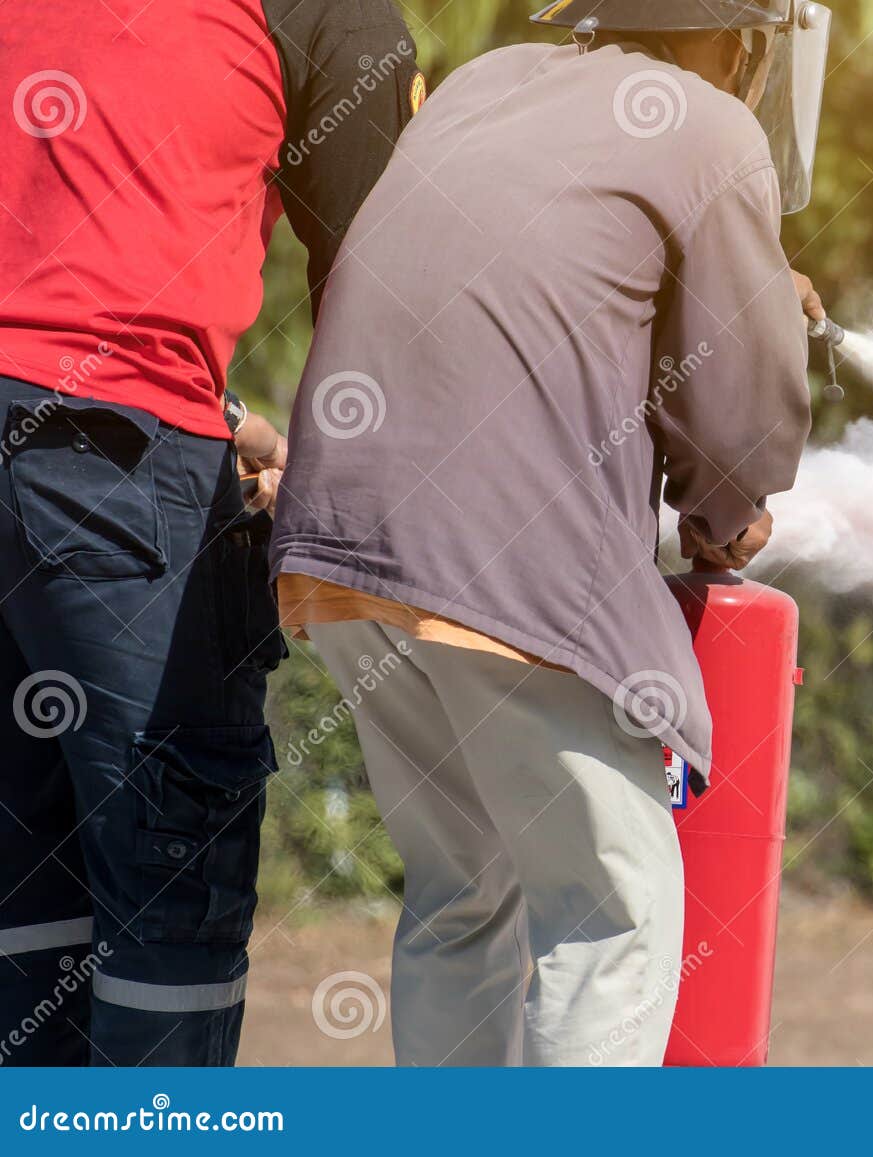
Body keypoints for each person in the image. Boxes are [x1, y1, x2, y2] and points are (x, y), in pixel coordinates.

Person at [270, 0, 832, 1065]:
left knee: (459, 892)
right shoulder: (711, 128)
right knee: (612, 910)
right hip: (501, 565)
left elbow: (534, 294)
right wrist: (725, 513)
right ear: (740, 38)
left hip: (343, 546)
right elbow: (742, 419)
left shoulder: (486, 84)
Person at [0, 0, 422, 1065]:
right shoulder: (336, 16)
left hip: (79, 433)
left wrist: (219, 422)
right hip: (113, 457)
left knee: (26, 865)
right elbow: (387, 298)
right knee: (169, 863)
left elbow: (47, 274)